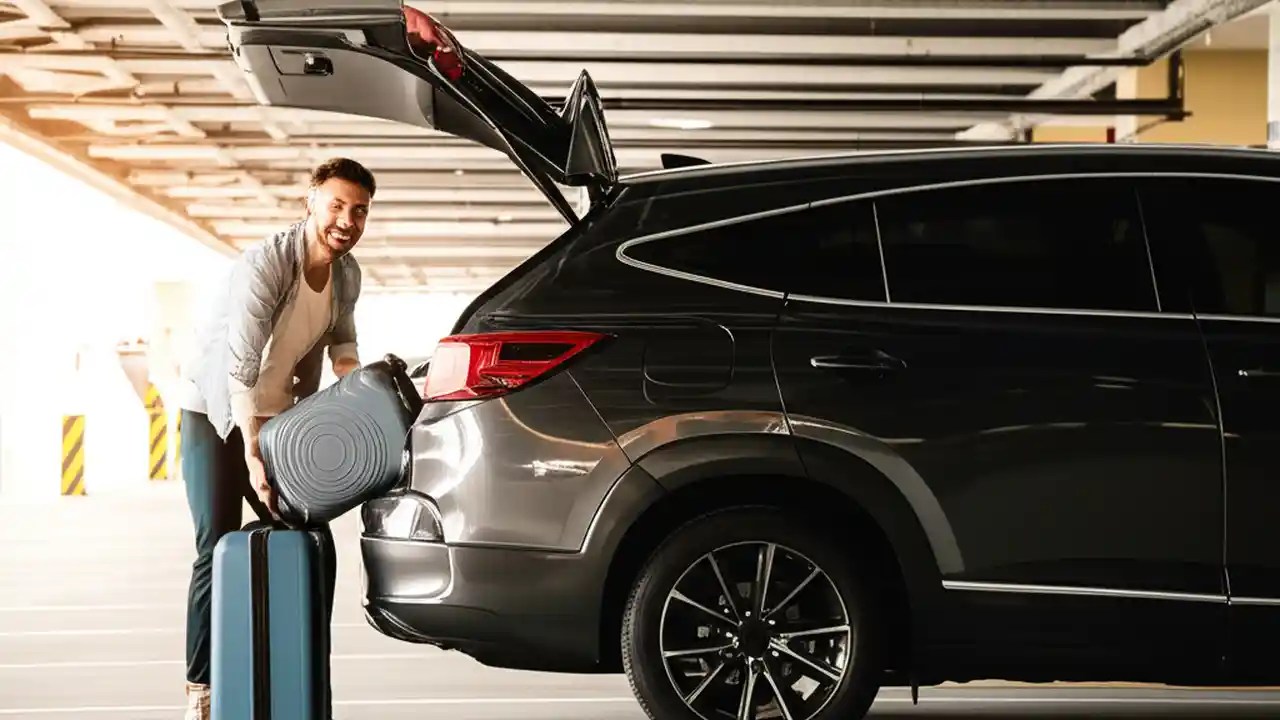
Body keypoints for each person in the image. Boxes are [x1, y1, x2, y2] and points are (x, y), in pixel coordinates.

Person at [175, 157, 375, 720]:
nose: (346, 220)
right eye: (336, 205)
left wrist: (361, 385)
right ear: (310, 202)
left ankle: (308, 672)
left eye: (358, 211)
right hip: (215, 417)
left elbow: (343, 343)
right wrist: (252, 451)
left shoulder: (347, 274)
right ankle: (203, 692)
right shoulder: (264, 264)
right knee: (215, 545)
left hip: (278, 419)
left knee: (314, 536)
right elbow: (240, 368)